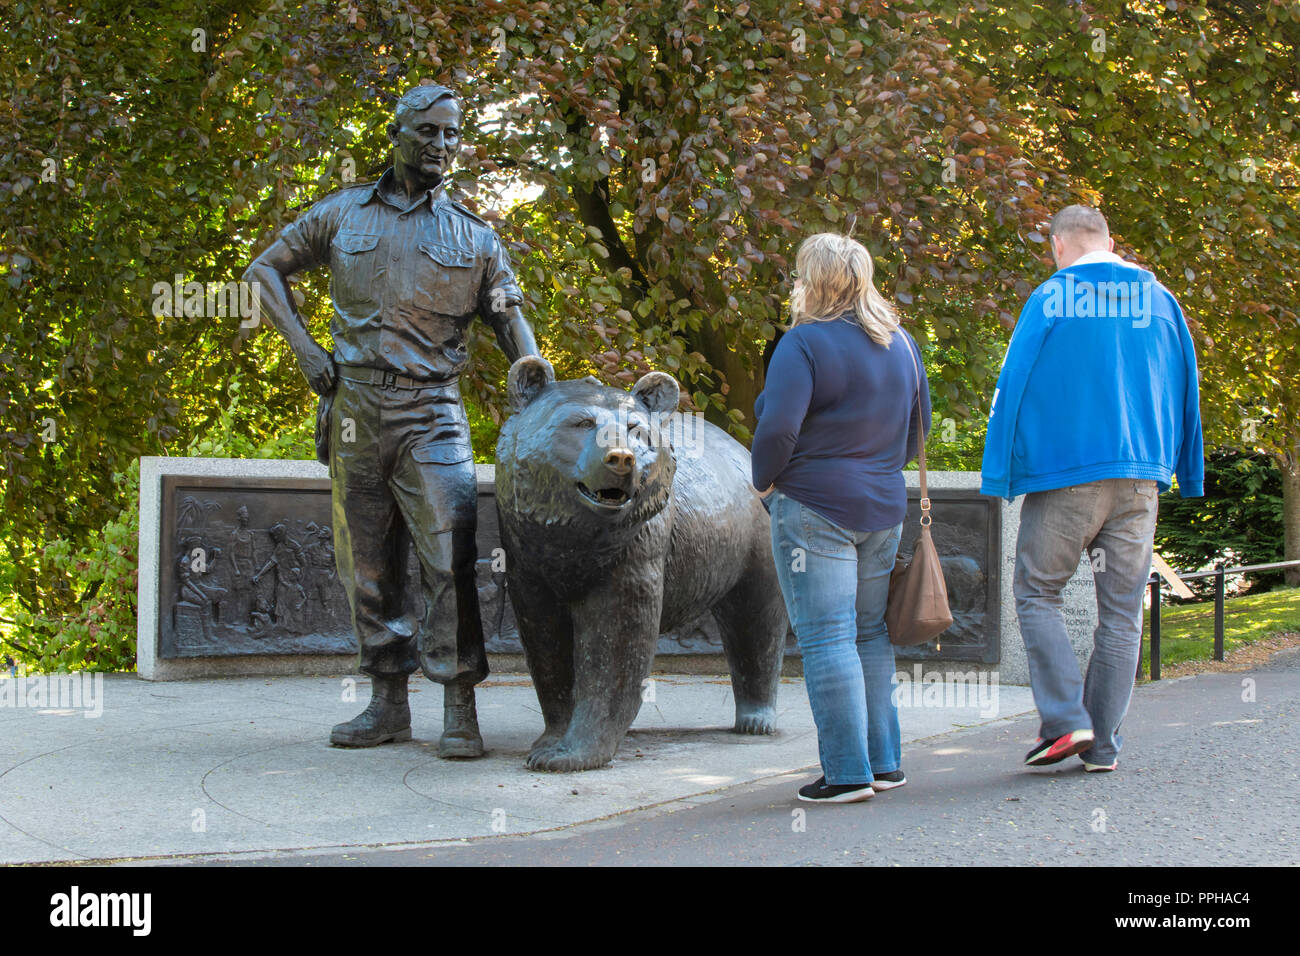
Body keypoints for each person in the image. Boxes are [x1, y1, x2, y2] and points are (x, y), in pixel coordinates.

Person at [244, 84, 541, 755]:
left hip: (433, 413)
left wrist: (542, 400)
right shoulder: (343, 214)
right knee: (366, 566)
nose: (441, 146)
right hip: (353, 409)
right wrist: (304, 347)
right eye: (429, 132)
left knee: (450, 557)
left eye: (451, 135)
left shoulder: (476, 238)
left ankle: (459, 706)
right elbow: (264, 269)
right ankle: (386, 703)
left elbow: (512, 325)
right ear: (398, 133)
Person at [981, 205, 1204, 772]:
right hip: (1141, 479)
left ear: (1059, 245)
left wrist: (998, 475)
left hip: (1067, 475)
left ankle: (1065, 719)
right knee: (1122, 614)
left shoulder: (1053, 297)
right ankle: (1101, 745)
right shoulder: (1162, 301)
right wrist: (1186, 469)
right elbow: (1187, 390)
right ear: (1111, 241)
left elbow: (1013, 384)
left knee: (1037, 592)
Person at [752, 233, 931, 803]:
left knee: (827, 636)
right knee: (870, 633)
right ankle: (885, 764)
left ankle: (848, 774)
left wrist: (763, 480)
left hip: (814, 506)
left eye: (799, 275)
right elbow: (918, 426)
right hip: (884, 506)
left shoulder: (802, 344)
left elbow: (778, 428)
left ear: (814, 280)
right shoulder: (901, 344)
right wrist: (876, 468)